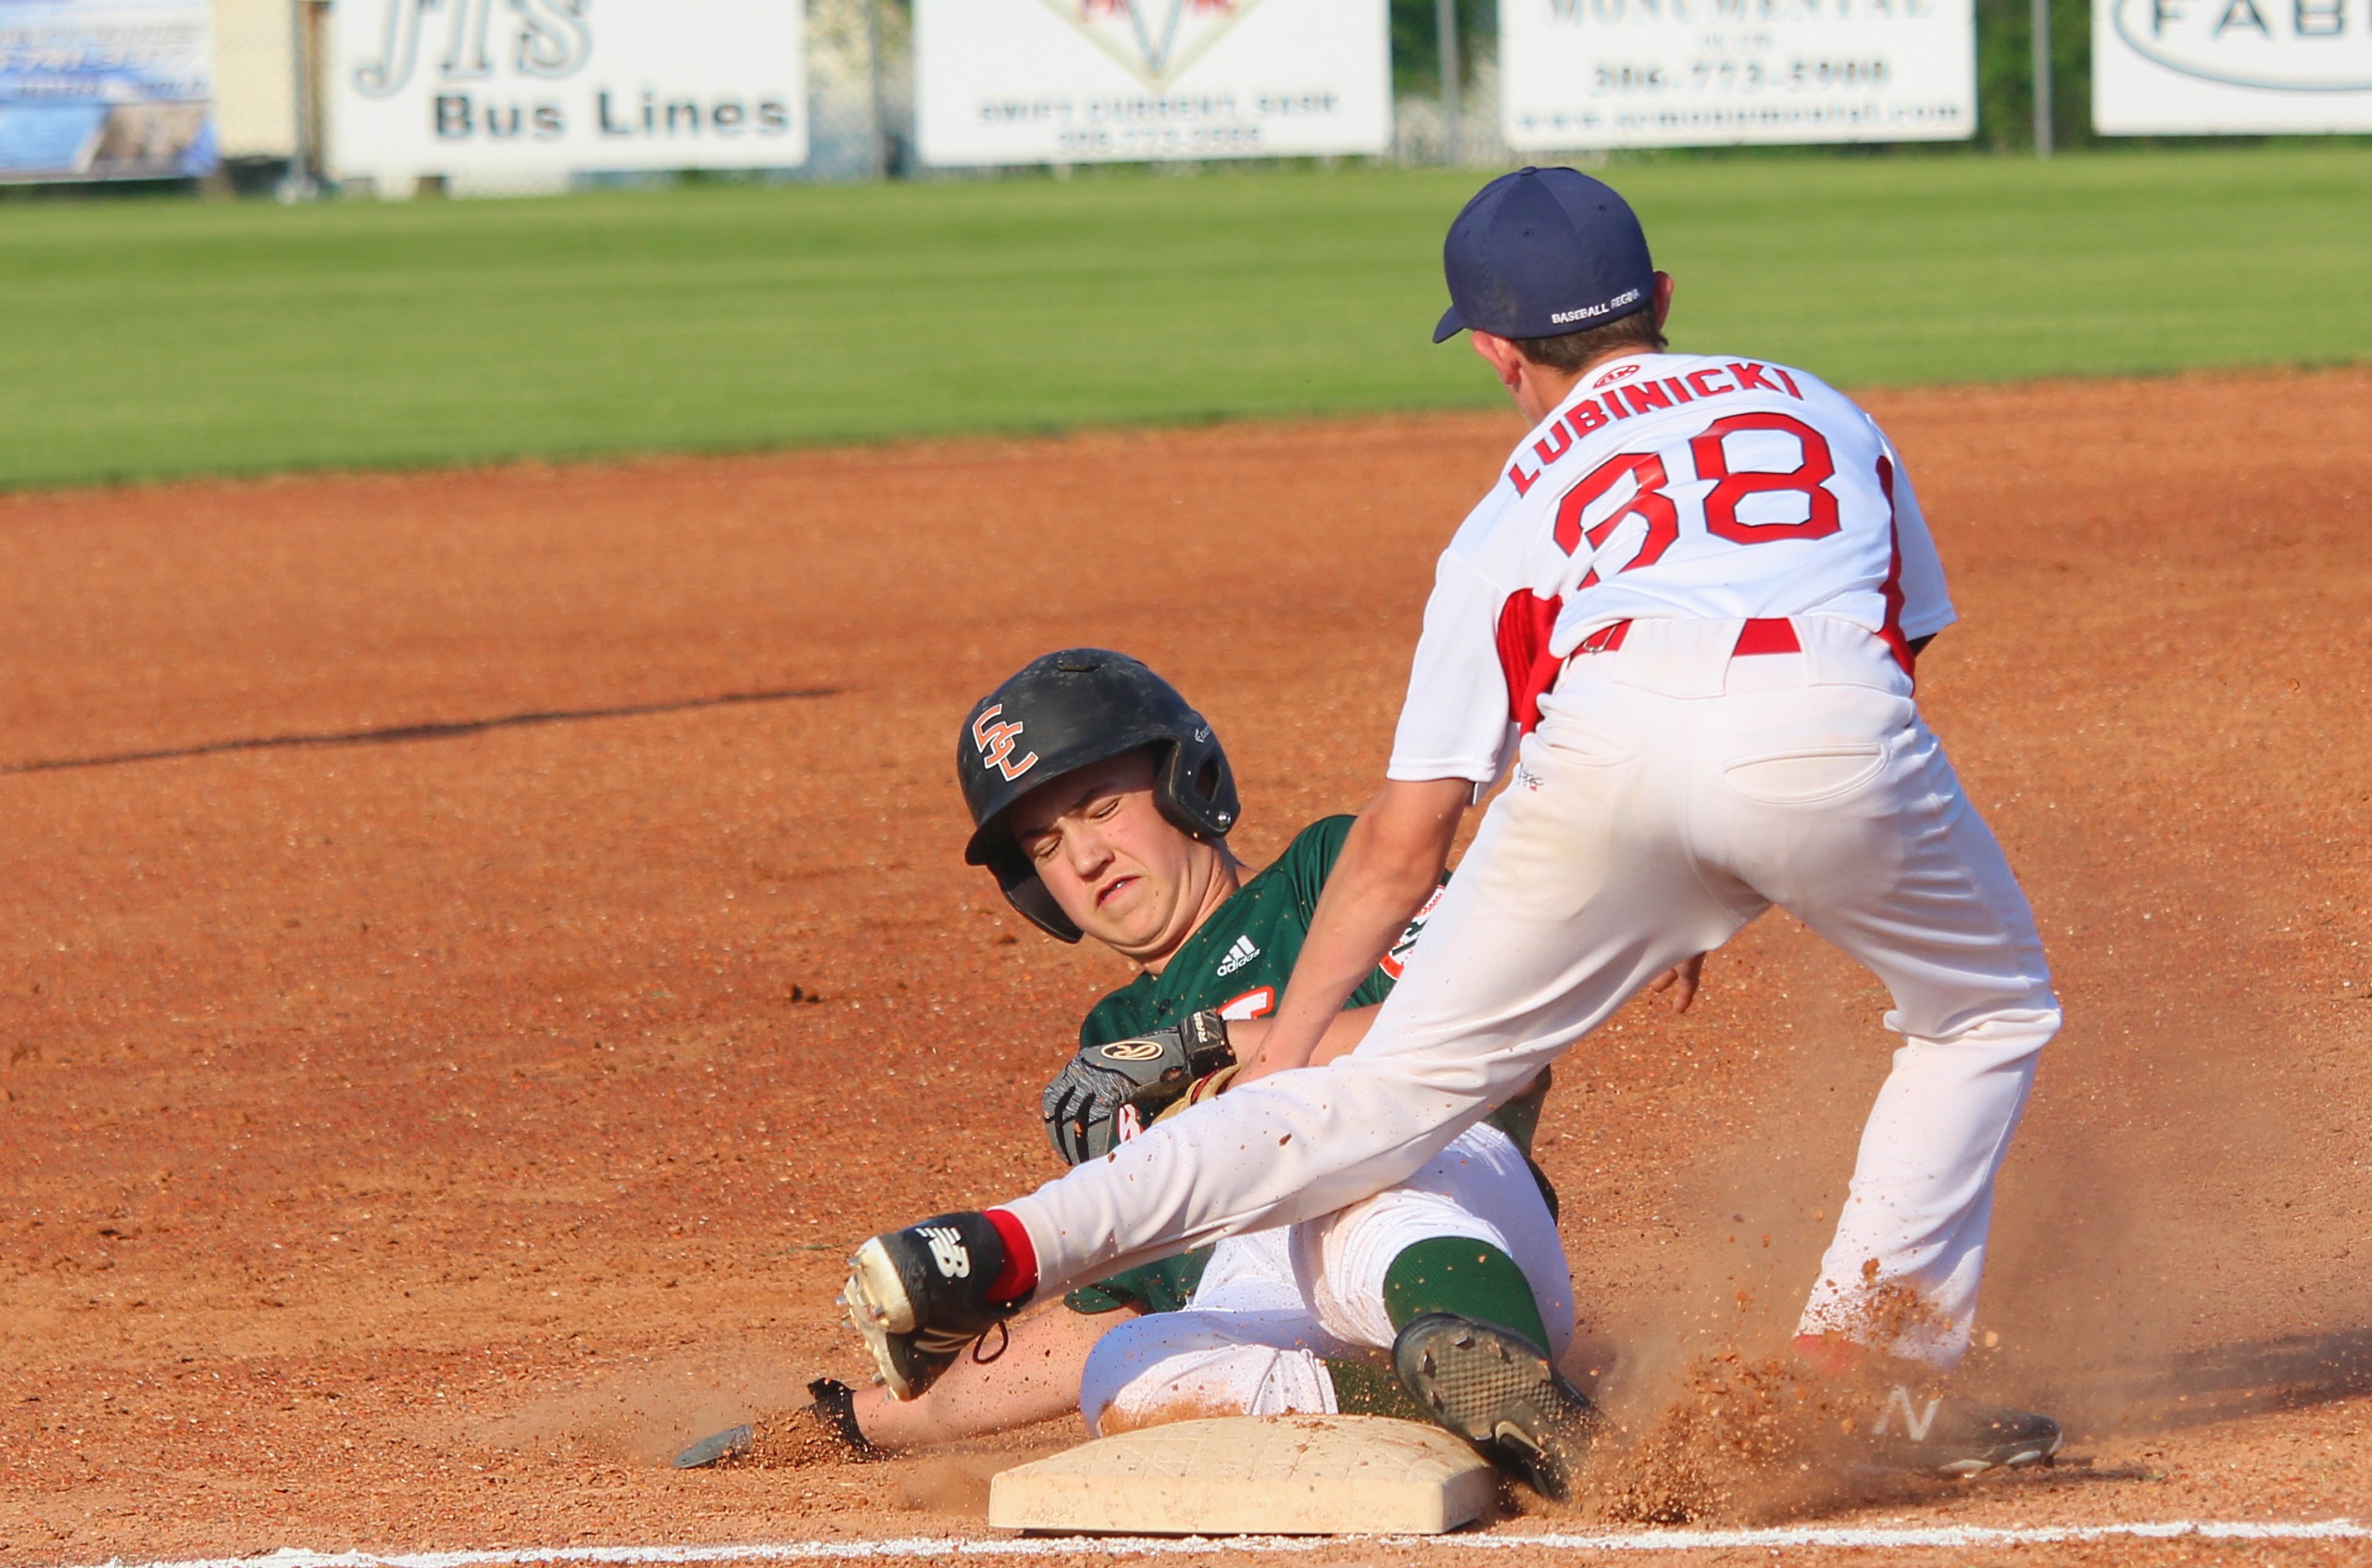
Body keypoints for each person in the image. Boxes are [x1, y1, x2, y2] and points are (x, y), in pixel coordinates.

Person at [838, 168, 2067, 1479]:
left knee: (1375, 1098)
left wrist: (1281, 1043)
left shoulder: (1521, 498)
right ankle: (1868, 1372)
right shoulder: (1827, 410)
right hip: (1837, 722)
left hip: (1603, 751)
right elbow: (1890, 635)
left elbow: (1406, 841)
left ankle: (1001, 1246)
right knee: (1983, 1012)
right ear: (1659, 301)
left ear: (1494, 351)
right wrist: (1738, 855)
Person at [689, 650, 1595, 1497]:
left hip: (1447, 1214)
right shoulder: (1112, 1044)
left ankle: (1516, 1378)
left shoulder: (1327, 877)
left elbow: (1479, 1038)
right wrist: (856, 1421)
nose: (1083, 858)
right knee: (1129, 1369)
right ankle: (1470, 1421)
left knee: (1344, 1188)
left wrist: (1212, 1043)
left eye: (1097, 806)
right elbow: (1104, 1314)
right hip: (1285, 1291)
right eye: (1045, 845)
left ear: (1183, 781)